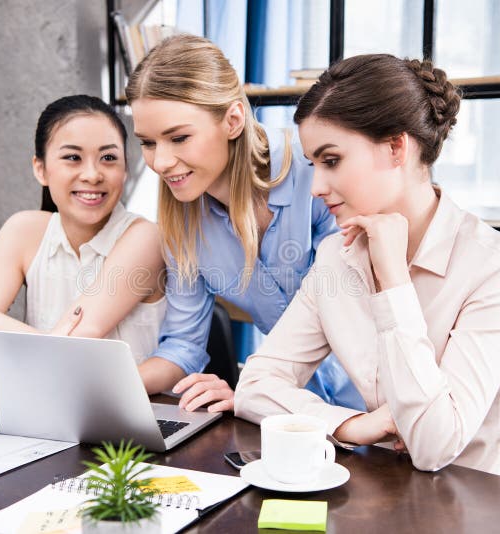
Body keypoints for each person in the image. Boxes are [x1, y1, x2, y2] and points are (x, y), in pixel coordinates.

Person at [234, 54, 500, 481]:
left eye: (331, 160)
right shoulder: (338, 255)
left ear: (396, 147)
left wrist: (393, 280)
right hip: (388, 493)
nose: (317, 187)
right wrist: (348, 425)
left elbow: (433, 446)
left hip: (484, 503)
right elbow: (256, 386)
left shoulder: (498, 267)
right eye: (312, 166)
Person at [125, 34, 365, 412]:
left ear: (233, 119)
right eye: (149, 142)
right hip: (293, 415)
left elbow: (345, 311)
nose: (160, 162)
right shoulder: (183, 223)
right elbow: (184, 345)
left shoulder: (314, 171)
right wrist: (109, 387)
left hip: (376, 405)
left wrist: (254, 394)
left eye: (179, 138)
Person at [0, 95, 166, 364]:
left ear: (125, 170)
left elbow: (67, 348)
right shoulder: (24, 231)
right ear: (40, 169)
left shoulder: (145, 238)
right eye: (73, 157)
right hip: (45, 401)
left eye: (109, 157)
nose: (92, 174)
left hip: (138, 405)